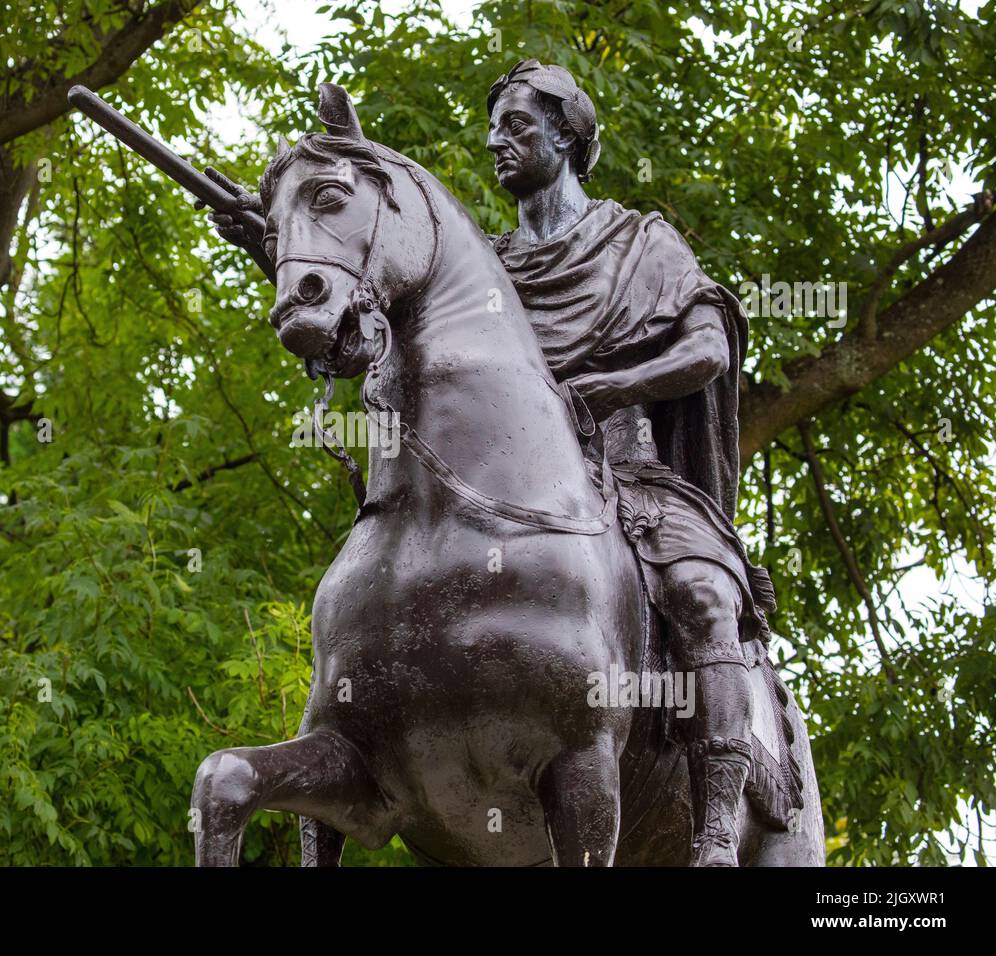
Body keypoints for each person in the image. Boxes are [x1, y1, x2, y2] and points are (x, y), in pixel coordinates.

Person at [202, 60, 777, 865]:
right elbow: (365, 299)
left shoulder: (640, 242)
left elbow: (710, 347)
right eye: (493, 126)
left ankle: (718, 824)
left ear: (569, 137)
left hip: (625, 472)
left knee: (704, 590)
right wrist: (270, 244)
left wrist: (610, 388)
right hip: (503, 480)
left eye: (517, 125)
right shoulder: (488, 262)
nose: (495, 140)